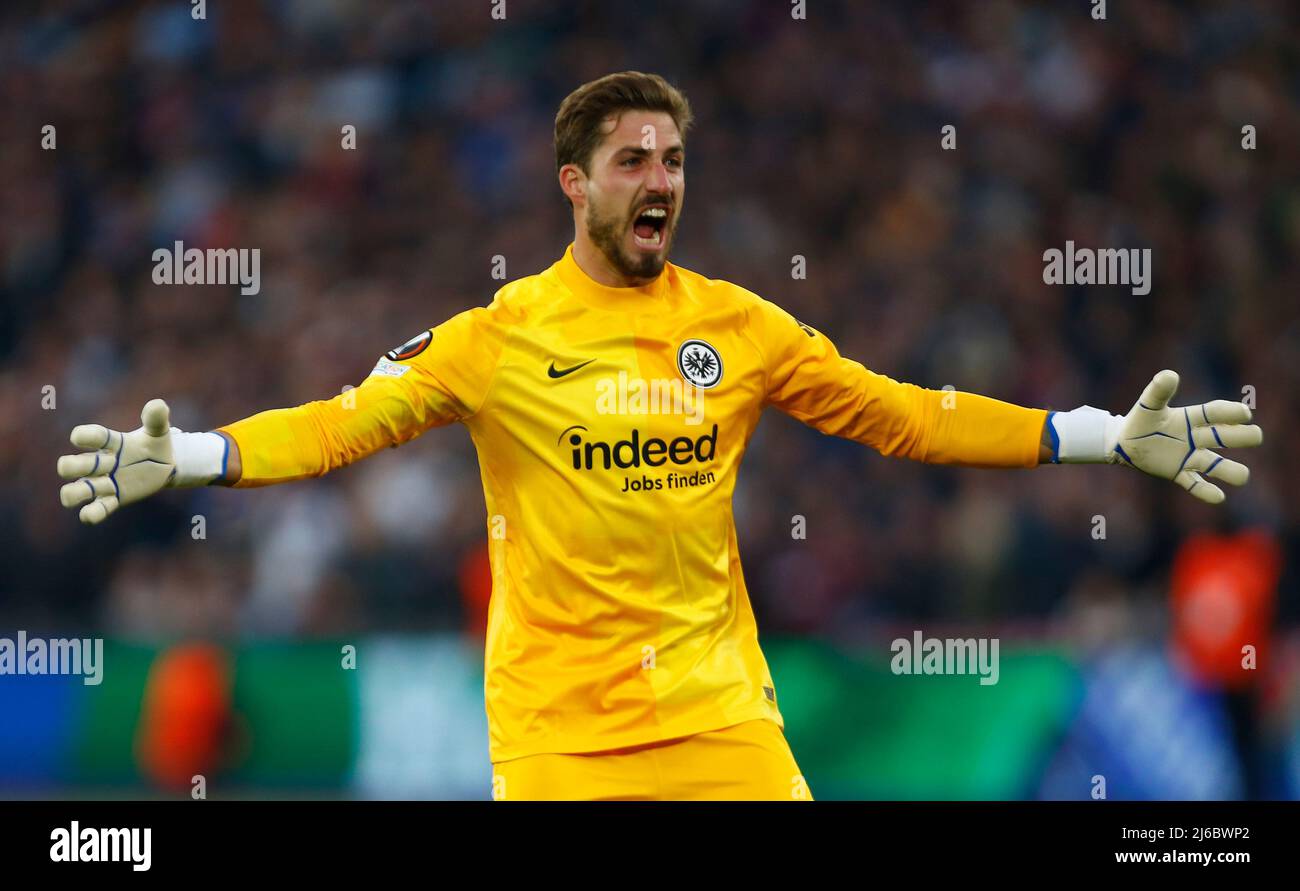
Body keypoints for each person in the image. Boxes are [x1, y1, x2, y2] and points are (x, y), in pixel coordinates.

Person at [56, 71, 1263, 801]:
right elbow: (336, 429)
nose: (661, 180)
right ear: (572, 183)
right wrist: (202, 455)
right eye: (633, 158)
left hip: (718, 719)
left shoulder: (737, 327)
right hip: (561, 736)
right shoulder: (495, 336)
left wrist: (1096, 435)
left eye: (675, 160)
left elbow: (909, 416)